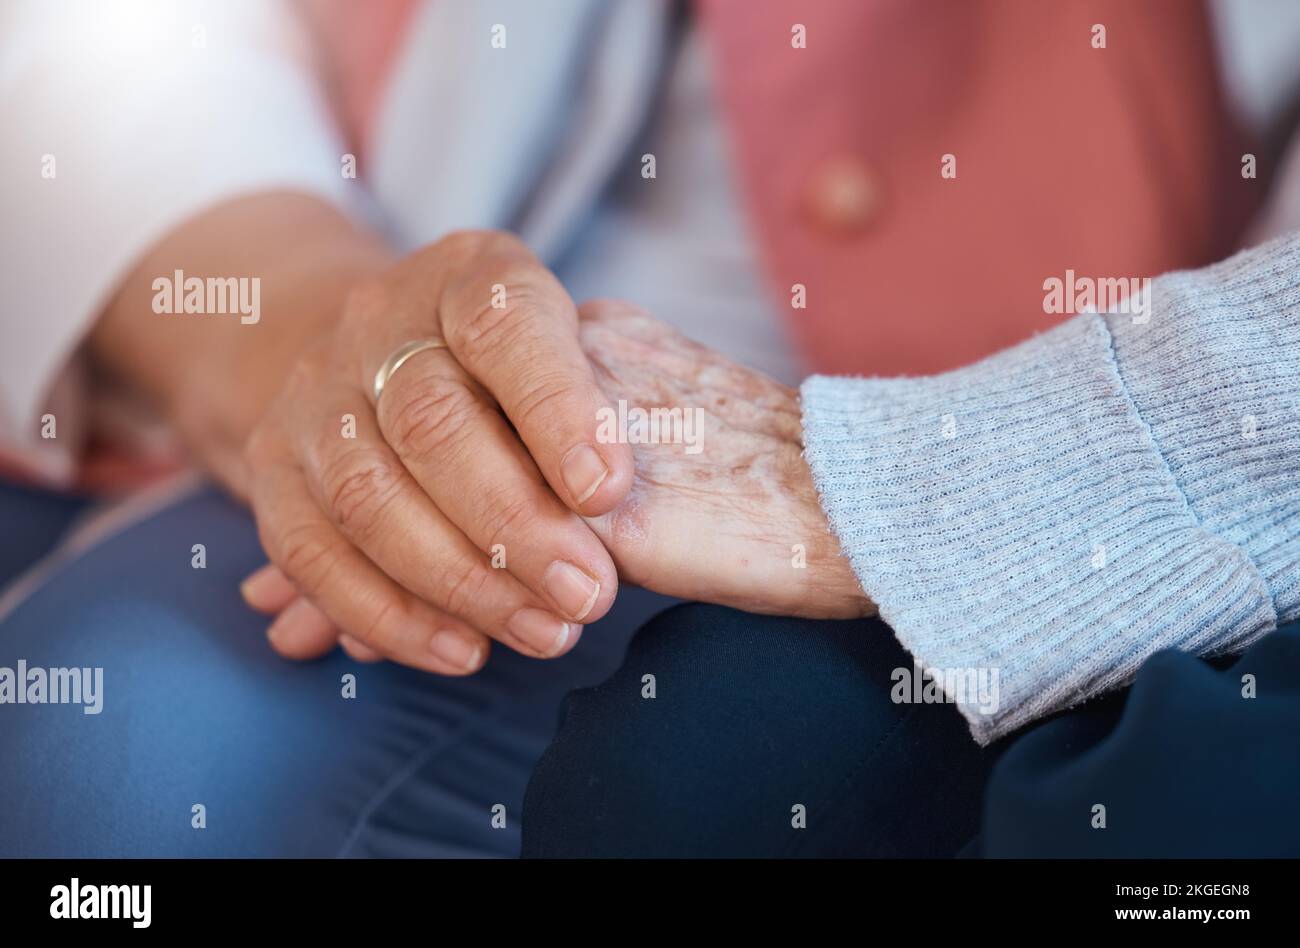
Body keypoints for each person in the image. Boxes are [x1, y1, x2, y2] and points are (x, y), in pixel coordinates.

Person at [2, 0, 1299, 857]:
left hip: (1134, 419)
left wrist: (994, 478)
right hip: (423, 270)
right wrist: (319, 333)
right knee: (106, 761)